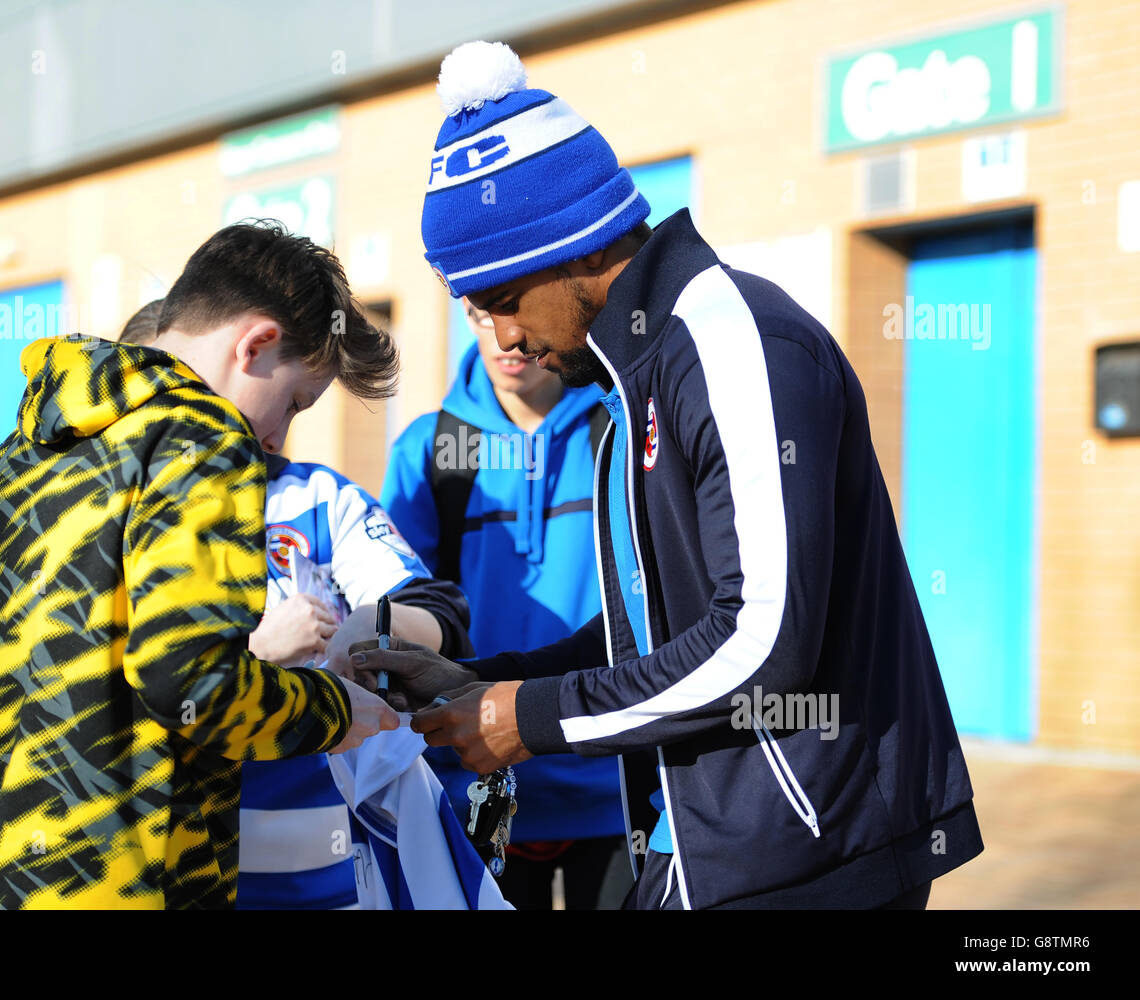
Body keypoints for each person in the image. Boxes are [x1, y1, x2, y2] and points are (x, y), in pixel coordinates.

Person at [351, 41, 983, 909]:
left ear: (570, 247)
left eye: (500, 301)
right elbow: (651, 628)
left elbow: (761, 641)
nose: (501, 341)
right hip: (713, 847)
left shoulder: (733, 344)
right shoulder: (633, 381)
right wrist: (490, 682)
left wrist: (526, 721)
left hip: (816, 856)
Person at [0, 220, 400, 909]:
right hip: (122, 881)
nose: (278, 435)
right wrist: (335, 710)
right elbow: (192, 684)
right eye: (295, 402)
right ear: (257, 344)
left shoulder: (21, 448)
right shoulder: (207, 441)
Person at [122, 295, 482, 909]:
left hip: (313, 863)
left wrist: (366, 630)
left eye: (298, 408)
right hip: (152, 853)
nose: (277, 430)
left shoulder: (316, 496)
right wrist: (251, 653)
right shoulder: (103, 501)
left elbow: (437, 609)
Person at [380, 296, 630, 909]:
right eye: (474, 315)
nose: (498, 335)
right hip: (478, 781)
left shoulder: (620, 429)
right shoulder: (430, 449)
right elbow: (396, 613)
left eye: (508, 308)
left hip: (615, 777)